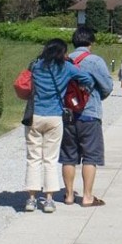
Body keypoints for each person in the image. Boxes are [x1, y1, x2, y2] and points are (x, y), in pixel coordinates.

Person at [24, 38, 92, 213]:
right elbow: (86, 78)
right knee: (50, 159)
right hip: (54, 117)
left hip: (35, 115)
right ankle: (48, 200)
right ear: (63, 52)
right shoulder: (67, 67)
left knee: (33, 158)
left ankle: (31, 199)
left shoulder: (37, 65)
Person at [59, 26, 114, 208]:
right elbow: (107, 86)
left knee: (68, 156)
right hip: (90, 114)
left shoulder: (64, 60)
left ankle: (68, 195)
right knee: (90, 156)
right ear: (91, 43)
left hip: (67, 114)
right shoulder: (95, 61)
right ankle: (87, 196)